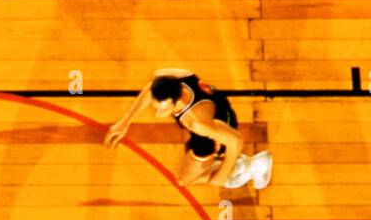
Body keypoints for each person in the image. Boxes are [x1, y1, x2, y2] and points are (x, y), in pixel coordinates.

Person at [104, 68, 273, 189]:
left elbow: (235, 140)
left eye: (163, 109)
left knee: (184, 180)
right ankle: (239, 165)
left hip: (213, 136)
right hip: (219, 108)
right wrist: (125, 122)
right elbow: (151, 88)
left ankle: (250, 166)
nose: (158, 114)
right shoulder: (175, 77)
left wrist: (222, 175)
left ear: (178, 102)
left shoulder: (195, 122)